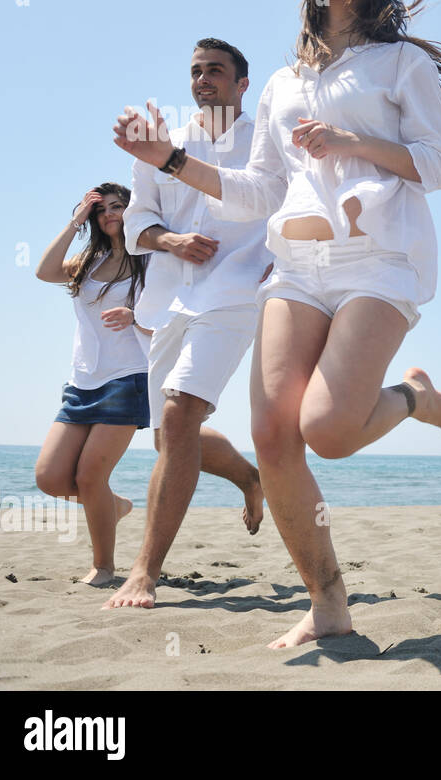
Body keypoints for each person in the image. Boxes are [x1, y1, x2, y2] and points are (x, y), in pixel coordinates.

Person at [113, 0, 441, 648]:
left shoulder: (399, 64)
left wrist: (351, 144)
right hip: (298, 267)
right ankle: (328, 602)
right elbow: (256, 193)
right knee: (273, 434)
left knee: (329, 432)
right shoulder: (282, 83)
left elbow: (440, 165)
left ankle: (409, 396)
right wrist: (172, 159)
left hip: (380, 259)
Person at [103, 38, 269, 612]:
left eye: (216, 71)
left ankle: (143, 574)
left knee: (178, 416)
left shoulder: (264, 140)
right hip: (166, 304)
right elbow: (136, 225)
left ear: (241, 83)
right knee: (169, 436)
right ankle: (249, 477)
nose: (203, 80)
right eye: (196, 71)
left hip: (236, 292)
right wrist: (169, 239)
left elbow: (291, 204)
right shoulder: (161, 143)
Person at [34, 184, 149, 585]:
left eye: (118, 207)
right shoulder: (88, 261)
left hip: (127, 377)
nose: (110, 215)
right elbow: (45, 270)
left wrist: (135, 317)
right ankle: (111, 506)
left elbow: (170, 317)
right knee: (49, 478)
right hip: (81, 382)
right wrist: (74, 221)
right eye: (102, 211)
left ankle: (103, 567)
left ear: (133, 211)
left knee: (88, 477)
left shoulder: (149, 261)